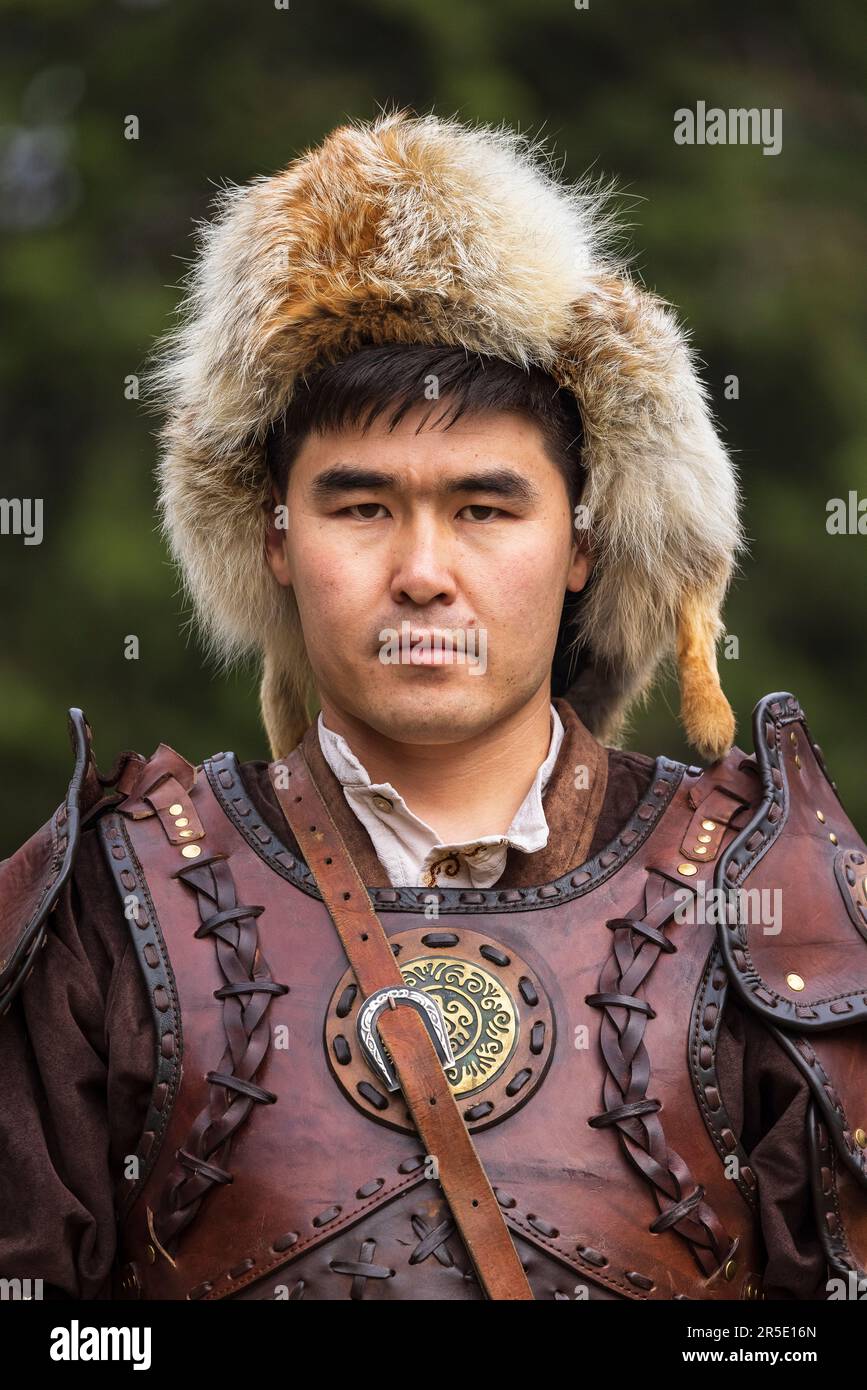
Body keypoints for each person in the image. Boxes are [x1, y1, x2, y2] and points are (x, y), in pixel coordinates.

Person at [1, 109, 865, 1303]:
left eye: (485, 508)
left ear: (580, 545)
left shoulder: (778, 901)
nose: (421, 569)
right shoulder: (102, 905)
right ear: (278, 541)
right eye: (360, 507)